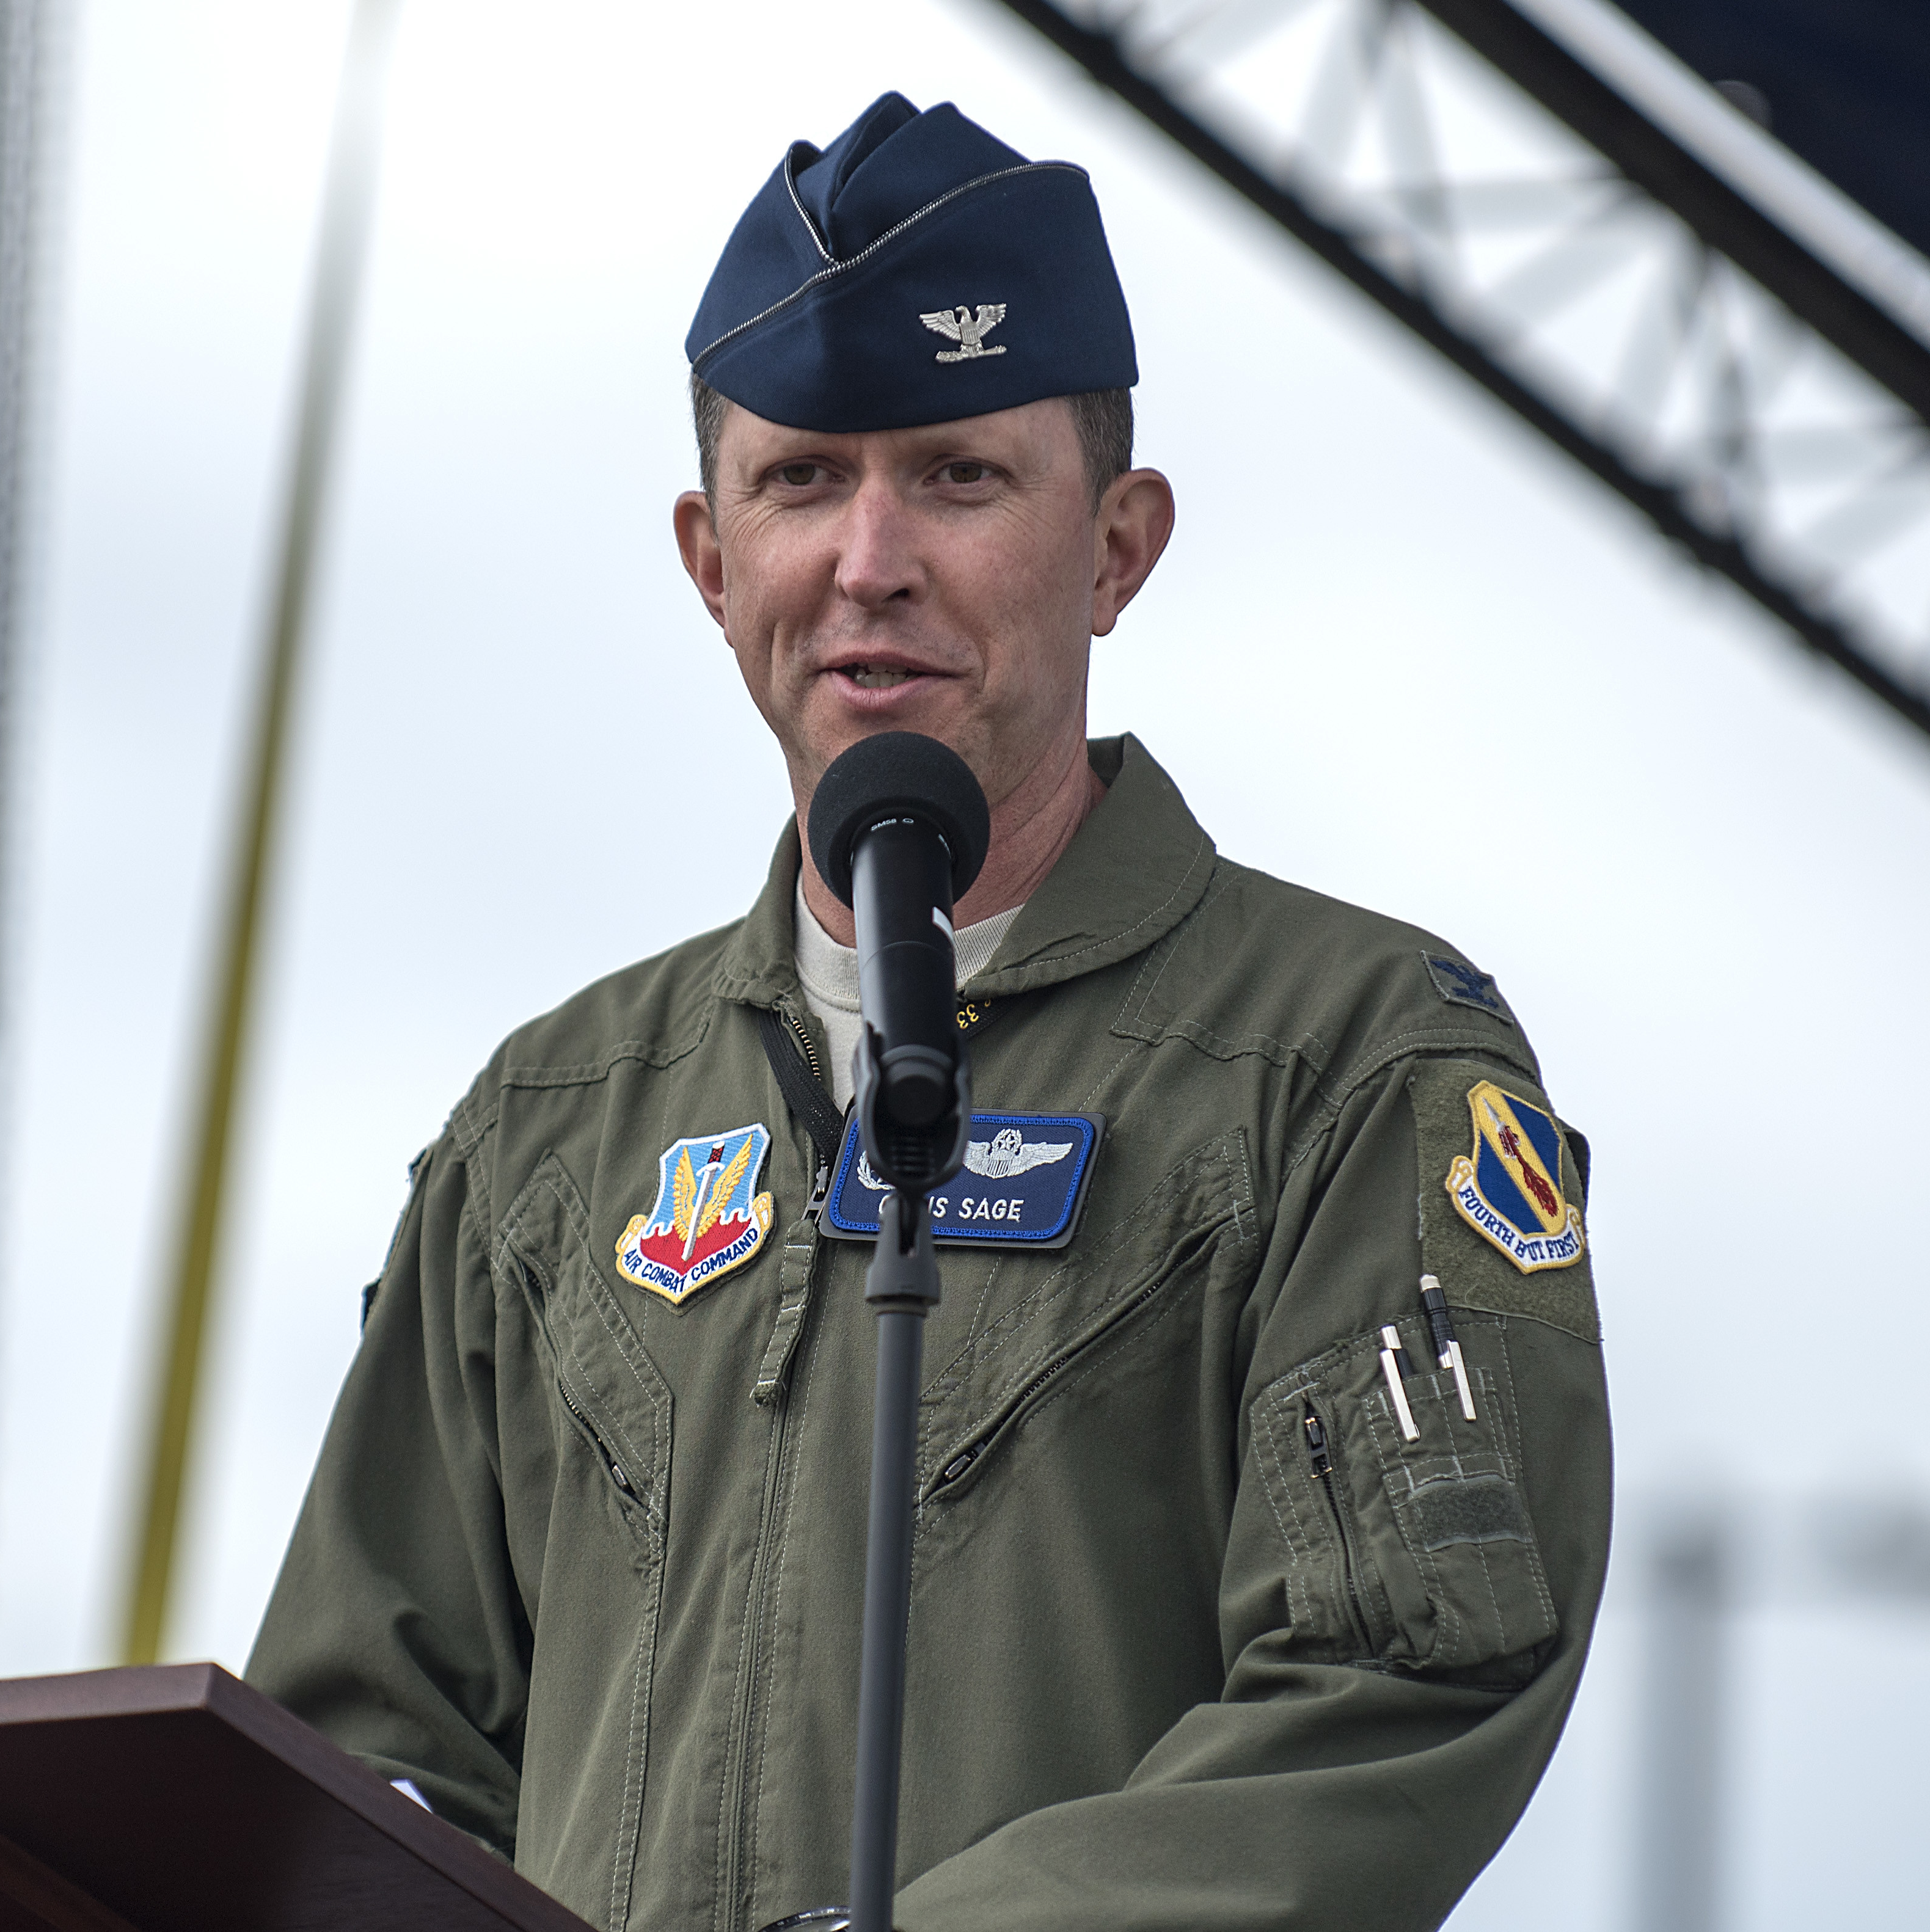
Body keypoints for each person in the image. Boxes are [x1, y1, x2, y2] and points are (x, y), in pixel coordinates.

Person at [247, 92, 1609, 1932]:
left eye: (956, 476)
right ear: (708, 557)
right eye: (800, 479)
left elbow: (1392, 1692)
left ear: (1117, 544)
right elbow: (370, 1765)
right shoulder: (550, 1130)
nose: (866, 557)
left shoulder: (1347, 1067)